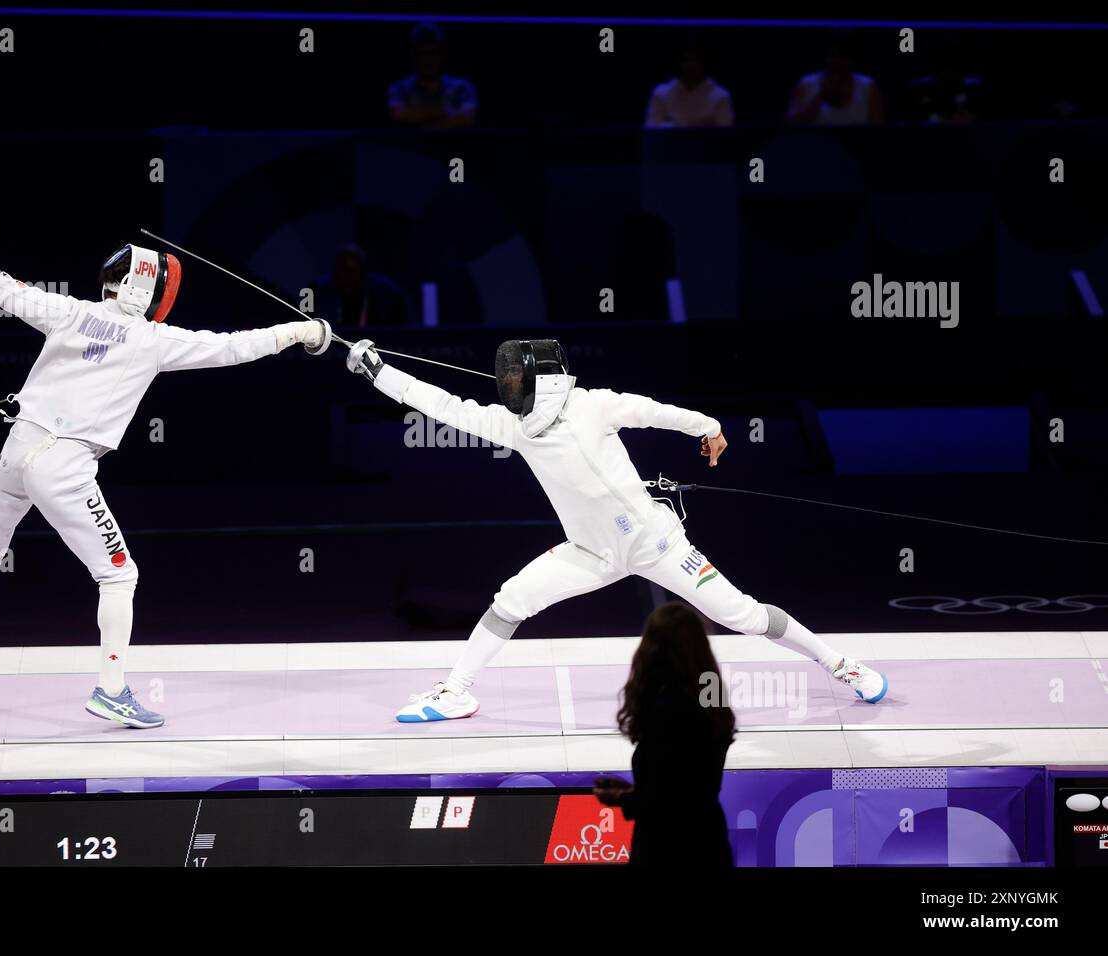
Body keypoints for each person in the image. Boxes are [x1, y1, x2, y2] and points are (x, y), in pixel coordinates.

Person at [0, 231, 329, 728]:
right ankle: (111, 690)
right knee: (119, 575)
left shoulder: (68, 311)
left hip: (17, 449)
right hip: (66, 467)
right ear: (146, 291)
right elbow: (231, 348)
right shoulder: (154, 340)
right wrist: (302, 332)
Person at [343, 337, 888, 721]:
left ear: (542, 379)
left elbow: (656, 411)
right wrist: (379, 372)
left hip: (658, 544)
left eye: (515, 377)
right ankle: (455, 691)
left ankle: (837, 662)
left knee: (741, 614)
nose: (506, 385)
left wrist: (711, 428)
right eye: (504, 377)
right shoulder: (513, 426)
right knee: (511, 599)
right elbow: (442, 405)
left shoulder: (593, 405)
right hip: (590, 552)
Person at [594, 602, 734, 867]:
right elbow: (686, 780)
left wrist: (624, 798)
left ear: (653, 651)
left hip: (666, 850)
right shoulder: (712, 692)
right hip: (709, 843)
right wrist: (637, 790)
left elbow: (668, 803)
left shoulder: (667, 709)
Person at [386, 22, 478, 129]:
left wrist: (423, 124)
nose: (427, 60)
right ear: (413, 55)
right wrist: (450, 112)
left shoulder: (462, 87)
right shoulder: (399, 88)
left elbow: (467, 118)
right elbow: (399, 115)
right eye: (421, 53)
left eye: (433, 53)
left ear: (443, 54)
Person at [786, 31, 885, 126]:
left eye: (842, 56)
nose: (837, 61)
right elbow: (791, 126)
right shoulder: (806, 84)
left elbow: (876, 129)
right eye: (833, 55)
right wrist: (821, 95)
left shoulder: (867, 86)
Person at [312, 244, 409, 327]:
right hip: (331, 345)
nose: (347, 276)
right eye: (342, 269)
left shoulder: (387, 293)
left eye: (352, 269)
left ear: (363, 270)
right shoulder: (318, 291)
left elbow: (404, 330)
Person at [644, 40, 734, 128]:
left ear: (704, 63)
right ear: (678, 63)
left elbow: (724, 135)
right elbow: (652, 129)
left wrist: (672, 123)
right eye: (686, 60)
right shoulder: (661, 94)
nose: (691, 65)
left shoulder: (721, 96)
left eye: (696, 60)